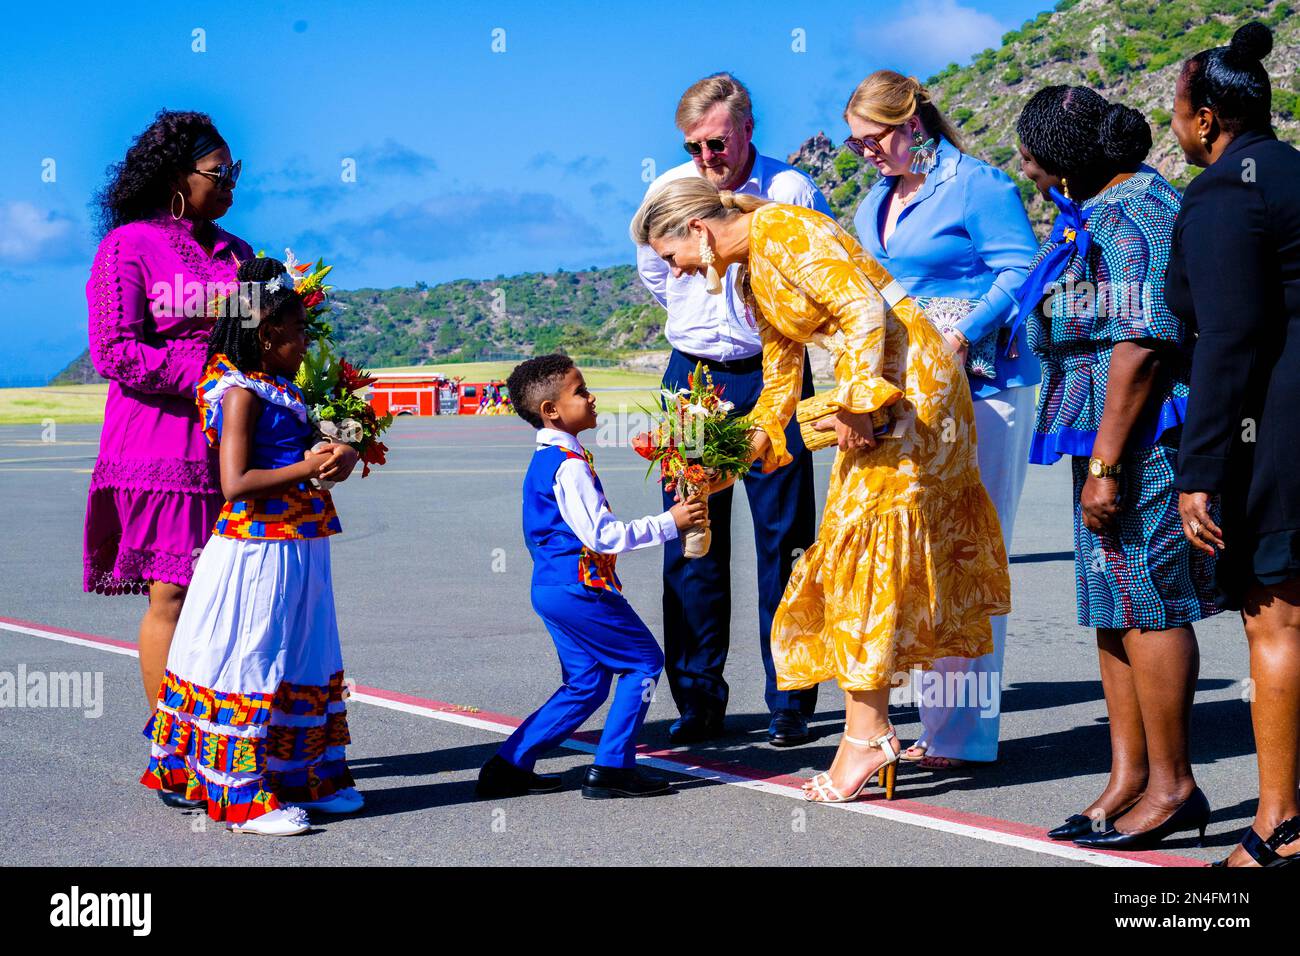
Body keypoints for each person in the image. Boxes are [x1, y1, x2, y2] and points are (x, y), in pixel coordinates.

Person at [631, 179, 1010, 803]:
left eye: (670, 258)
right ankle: (872, 731)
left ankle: (867, 736)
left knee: (867, 554)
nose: (673, 271)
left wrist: (860, 403)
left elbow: (864, 309)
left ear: (697, 231)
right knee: (859, 555)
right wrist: (728, 459)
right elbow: (780, 383)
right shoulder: (754, 268)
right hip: (879, 394)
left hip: (909, 387)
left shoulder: (787, 230)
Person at [1013, 86, 1219, 849]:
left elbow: (1142, 342)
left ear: (1064, 163)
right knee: (1111, 602)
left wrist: (1106, 464)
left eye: (1032, 159)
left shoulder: (1139, 213)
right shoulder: (1100, 206)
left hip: (1140, 437)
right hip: (1100, 436)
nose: (1027, 171)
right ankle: (1128, 779)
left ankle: (1174, 787)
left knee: (1147, 599)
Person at [847, 70, 1038, 768]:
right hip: (910, 394)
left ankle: (967, 735)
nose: (864, 153)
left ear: (912, 123)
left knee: (972, 554)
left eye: (874, 139)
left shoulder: (976, 184)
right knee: (922, 560)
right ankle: (939, 727)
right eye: (855, 143)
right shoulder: (874, 199)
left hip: (982, 386)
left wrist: (962, 335)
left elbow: (1021, 271)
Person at [634, 72, 831, 747]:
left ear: (747, 129)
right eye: (693, 147)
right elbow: (658, 274)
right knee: (692, 537)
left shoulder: (790, 190)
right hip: (693, 376)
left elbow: (820, 273)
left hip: (772, 372)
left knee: (785, 539)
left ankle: (791, 699)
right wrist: (706, 333)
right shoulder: (668, 189)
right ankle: (697, 702)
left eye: (716, 143)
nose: (706, 159)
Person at [139, 257, 363, 836]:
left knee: (303, 650)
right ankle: (239, 793)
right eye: (299, 334)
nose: (306, 344)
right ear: (268, 335)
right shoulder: (238, 391)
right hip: (257, 547)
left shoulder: (278, 387)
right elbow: (234, 482)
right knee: (250, 652)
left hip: (301, 540)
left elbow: (305, 454)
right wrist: (306, 465)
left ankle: (304, 773)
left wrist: (340, 455)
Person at [84, 113, 254, 814]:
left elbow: (259, 343)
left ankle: (226, 737)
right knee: (173, 596)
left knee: (232, 602)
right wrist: (208, 373)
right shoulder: (129, 248)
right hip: (157, 442)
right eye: (220, 175)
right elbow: (116, 352)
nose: (232, 188)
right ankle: (172, 747)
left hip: (234, 446)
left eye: (236, 175)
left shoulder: (241, 253)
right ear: (176, 179)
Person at [1169, 21, 1300, 868]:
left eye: (1177, 111)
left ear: (1208, 119)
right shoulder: (1289, 172)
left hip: (1278, 422)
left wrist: (1202, 469)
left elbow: (1226, 339)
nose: (1173, 126)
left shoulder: (1224, 193)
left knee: (1276, 619)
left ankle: (1280, 824)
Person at [475, 355, 708, 800]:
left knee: (586, 683)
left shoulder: (551, 458)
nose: (591, 396)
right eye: (580, 391)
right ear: (552, 411)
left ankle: (508, 766)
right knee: (643, 662)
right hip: (581, 588)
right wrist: (670, 522)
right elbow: (603, 536)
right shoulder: (568, 465)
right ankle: (613, 767)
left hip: (553, 588)